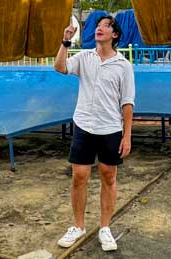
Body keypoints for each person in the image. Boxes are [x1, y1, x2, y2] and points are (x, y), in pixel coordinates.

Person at [53, 14, 135, 252]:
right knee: (79, 176)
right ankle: (77, 226)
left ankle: (105, 228)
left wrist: (127, 135)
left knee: (109, 176)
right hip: (84, 125)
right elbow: (60, 67)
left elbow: (127, 103)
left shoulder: (123, 65)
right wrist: (65, 42)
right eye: (98, 26)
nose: (99, 29)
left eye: (105, 27)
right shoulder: (84, 57)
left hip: (110, 128)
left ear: (115, 35)